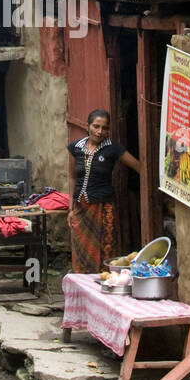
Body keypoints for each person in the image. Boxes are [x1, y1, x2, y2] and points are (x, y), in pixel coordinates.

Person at [67, 109, 142, 275]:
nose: (100, 131)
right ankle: (83, 290)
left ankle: (103, 285)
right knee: (81, 251)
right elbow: (72, 178)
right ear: (88, 126)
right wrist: (70, 209)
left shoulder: (113, 149)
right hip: (80, 208)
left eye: (104, 128)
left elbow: (139, 167)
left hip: (103, 208)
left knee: (105, 249)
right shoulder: (75, 148)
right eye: (96, 126)